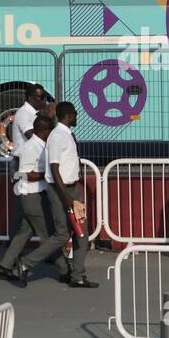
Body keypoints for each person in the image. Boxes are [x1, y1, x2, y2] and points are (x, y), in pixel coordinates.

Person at [40, 102, 98, 289]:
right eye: (75, 114)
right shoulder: (57, 136)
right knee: (63, 233)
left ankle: (77, 275)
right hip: (62, 191)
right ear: (69, 115)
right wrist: (65, 195)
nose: (77, 117)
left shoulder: (64, 134)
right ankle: (27, 262)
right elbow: (54, 167)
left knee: (81, 233)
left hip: (72, 189)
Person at [0, 113, 53, 288]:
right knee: (49, 235)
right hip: (32, 194)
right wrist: (47, 175)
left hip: (24, 193)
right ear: (44, 131)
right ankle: (62, 270)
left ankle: (5, 265)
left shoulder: (27, 146)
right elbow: (27, 174)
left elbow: (18, 169)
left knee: (25, 232)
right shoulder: (32, 148)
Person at [10, 84, 51, 153]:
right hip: (22, 160)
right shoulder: (23, 113)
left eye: (45, 97)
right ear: (30, 98)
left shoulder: (35, 114)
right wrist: (48, 118)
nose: (44, 100)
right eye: (41, 97)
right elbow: (31, 136)